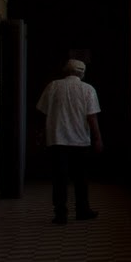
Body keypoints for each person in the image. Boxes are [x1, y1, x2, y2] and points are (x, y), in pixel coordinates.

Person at [37, 58, 102, 224]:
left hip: (57, 139)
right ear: (82, 73)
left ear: (65, 70)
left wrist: (40, 135)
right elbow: (92, 117)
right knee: (81, 178)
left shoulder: (53, 86)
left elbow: (42, 113)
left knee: (59, 178)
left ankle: (60, 213)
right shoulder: (88, 90)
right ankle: (82, 210)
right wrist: (97, 139)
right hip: (80, 140)